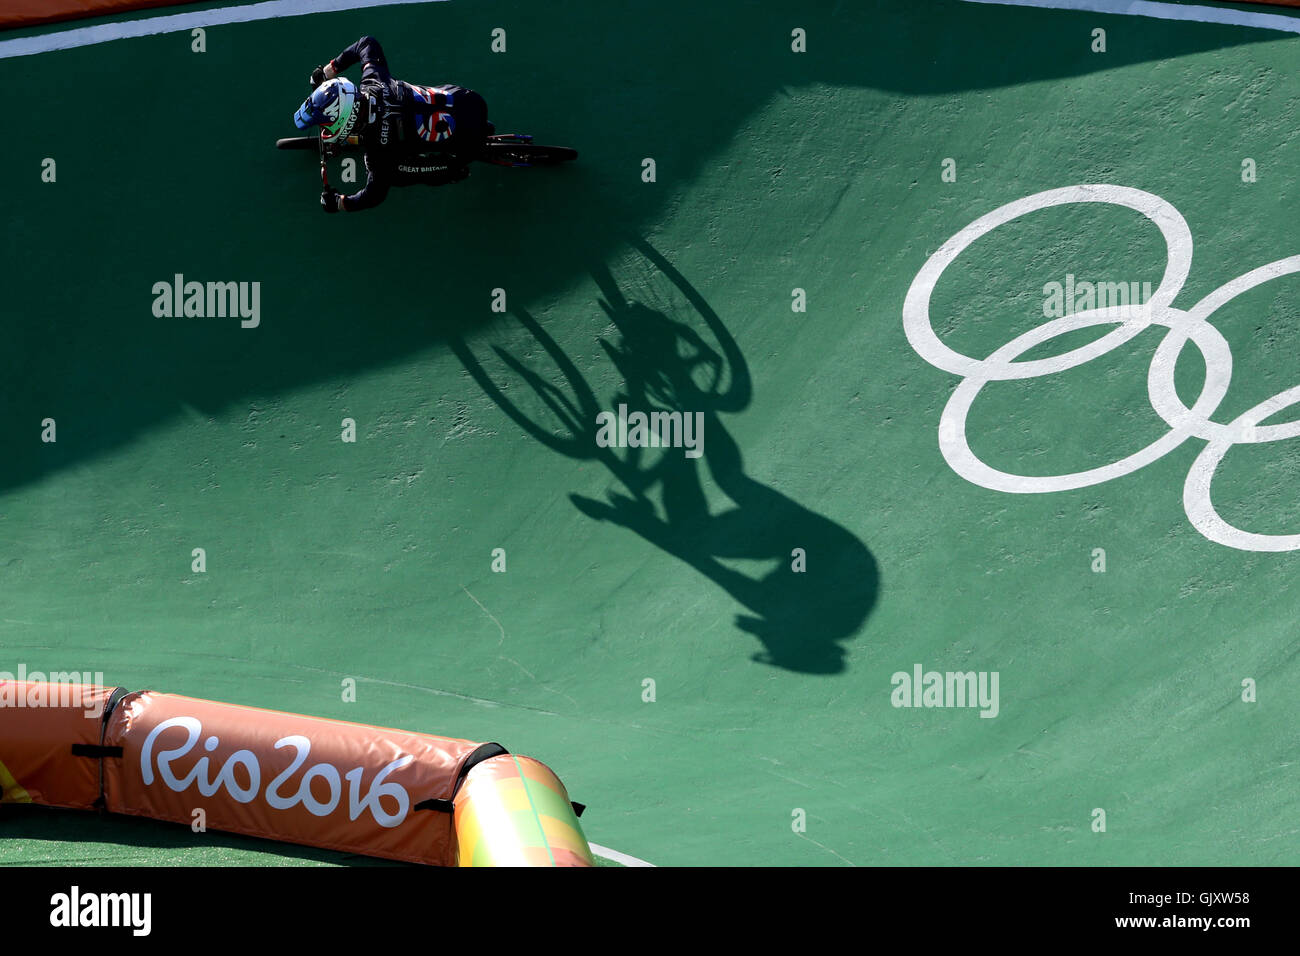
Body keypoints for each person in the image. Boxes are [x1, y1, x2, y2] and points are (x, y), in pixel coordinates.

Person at [293, 36, 491, 213]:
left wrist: (339, 203)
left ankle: (452, 171)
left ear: (346, 120)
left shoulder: (378, 155)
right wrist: (328, 71)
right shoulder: (375, 80)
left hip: (467, 144)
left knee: (396, 175)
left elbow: (373, 196)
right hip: (468, 99)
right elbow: (366, 43)